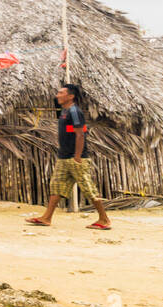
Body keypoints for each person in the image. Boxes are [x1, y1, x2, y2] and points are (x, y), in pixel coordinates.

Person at [26, 83, 112, 229]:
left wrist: (77, 157)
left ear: (71, 96)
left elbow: (80, 134)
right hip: (64, 157)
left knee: (88, 188)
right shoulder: (64, 112)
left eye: (61, 93)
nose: (57, 95)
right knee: (56, 186)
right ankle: (46, 218)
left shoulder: (74, 112)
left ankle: (104, 220)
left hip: (76, 158)